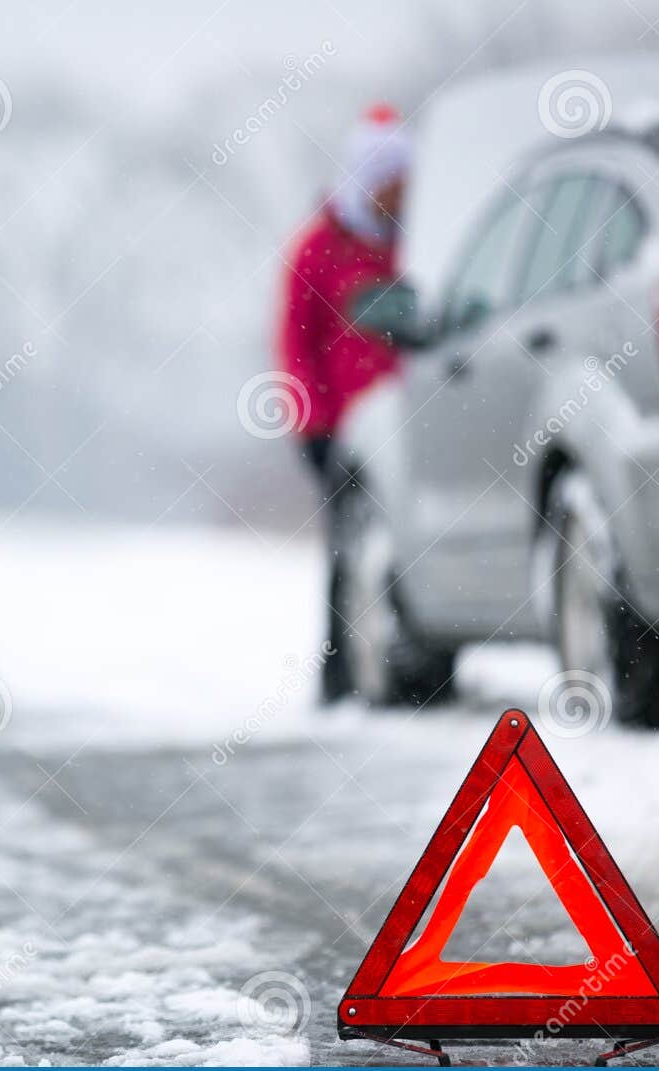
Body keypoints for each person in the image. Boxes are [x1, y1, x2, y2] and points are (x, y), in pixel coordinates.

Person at [275, 103, 411, 702]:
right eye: (389, 185)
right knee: (349, 549)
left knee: (408, 541)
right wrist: (314, 428)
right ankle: (340, 673)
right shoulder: (316, 249)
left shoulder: (413, 243)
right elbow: (295, 345)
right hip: (345, 432)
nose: (398, 198)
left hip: (408, 423)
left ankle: (413, 665)